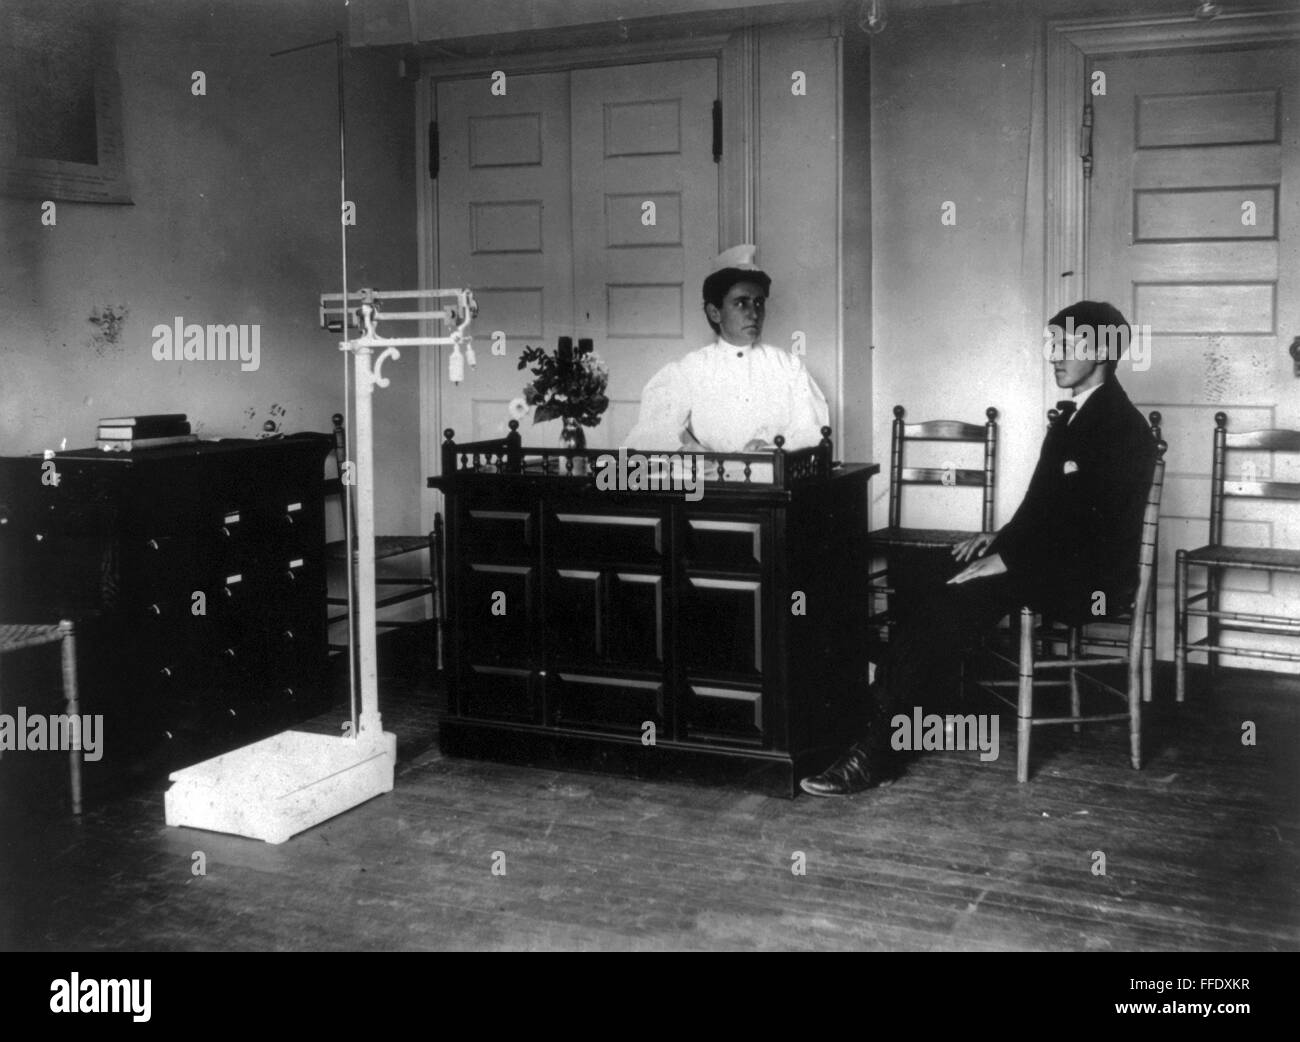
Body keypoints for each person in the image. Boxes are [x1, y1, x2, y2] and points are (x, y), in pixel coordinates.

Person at [800, 300, 1157, 796]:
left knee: (955, 598)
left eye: (1065, 344)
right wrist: (1000, 542)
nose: (1052, 355)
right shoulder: (1078, 413)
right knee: (924, 569)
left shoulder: (1119, 425)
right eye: (1051, 343)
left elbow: (1087, 531)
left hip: (1086, 578)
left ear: (1100, 350)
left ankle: (877, 753)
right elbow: (1044, 508)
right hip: (1050, 559)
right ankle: (901, 708)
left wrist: (1008, 559)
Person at [623, 245, 829, 453]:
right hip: (712, 480)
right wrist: (685, 449)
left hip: (773, 479)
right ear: (715, 313)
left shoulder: (788, 366)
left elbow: (812, 430)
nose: (754, 314)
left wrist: (775, 448)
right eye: (741, 303)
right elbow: (651, 430)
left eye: (758, 303)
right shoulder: (690, 369)